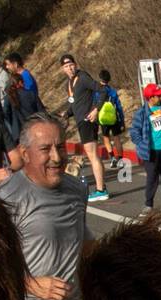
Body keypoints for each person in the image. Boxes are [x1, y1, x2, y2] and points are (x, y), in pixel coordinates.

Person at [0, 114, 90, 300]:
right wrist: (29, 283)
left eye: (60, 147)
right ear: (25, 153)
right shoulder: (7, 198)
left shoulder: (77, 189)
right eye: (45, 149)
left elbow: (83, 240)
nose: (56, 157)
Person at [59, 53, 109, 202]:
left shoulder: (83, 77)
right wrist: (66, 114)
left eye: (71, 65)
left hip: (88, 120)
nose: (70, 68)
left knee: (93, 155)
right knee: (93, 155)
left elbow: (102, 90)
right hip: (81, 121)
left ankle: (101, 190)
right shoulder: (69, 83)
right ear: (63, 69)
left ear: (76, 64)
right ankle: (102, 188)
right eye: (66, 66)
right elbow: (74, 103)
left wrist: (96, 109)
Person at [129, 83, 161, 216]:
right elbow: (134, 132)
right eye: (158, 95)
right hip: (150, 150)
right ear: (150, 98)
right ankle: (148, 204)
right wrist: (141, 143)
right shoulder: (141, 113)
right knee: (152, 178)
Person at [94, 70, 126, 170]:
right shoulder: (112, 91)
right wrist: (122, 120)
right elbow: (119, 107)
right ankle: (120, 159)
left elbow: (95, 105)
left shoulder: (97, 92)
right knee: (116, 138)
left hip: (103, 118)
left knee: (106, 137)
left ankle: (112, 158)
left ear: (100, 79)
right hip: (113, 117)